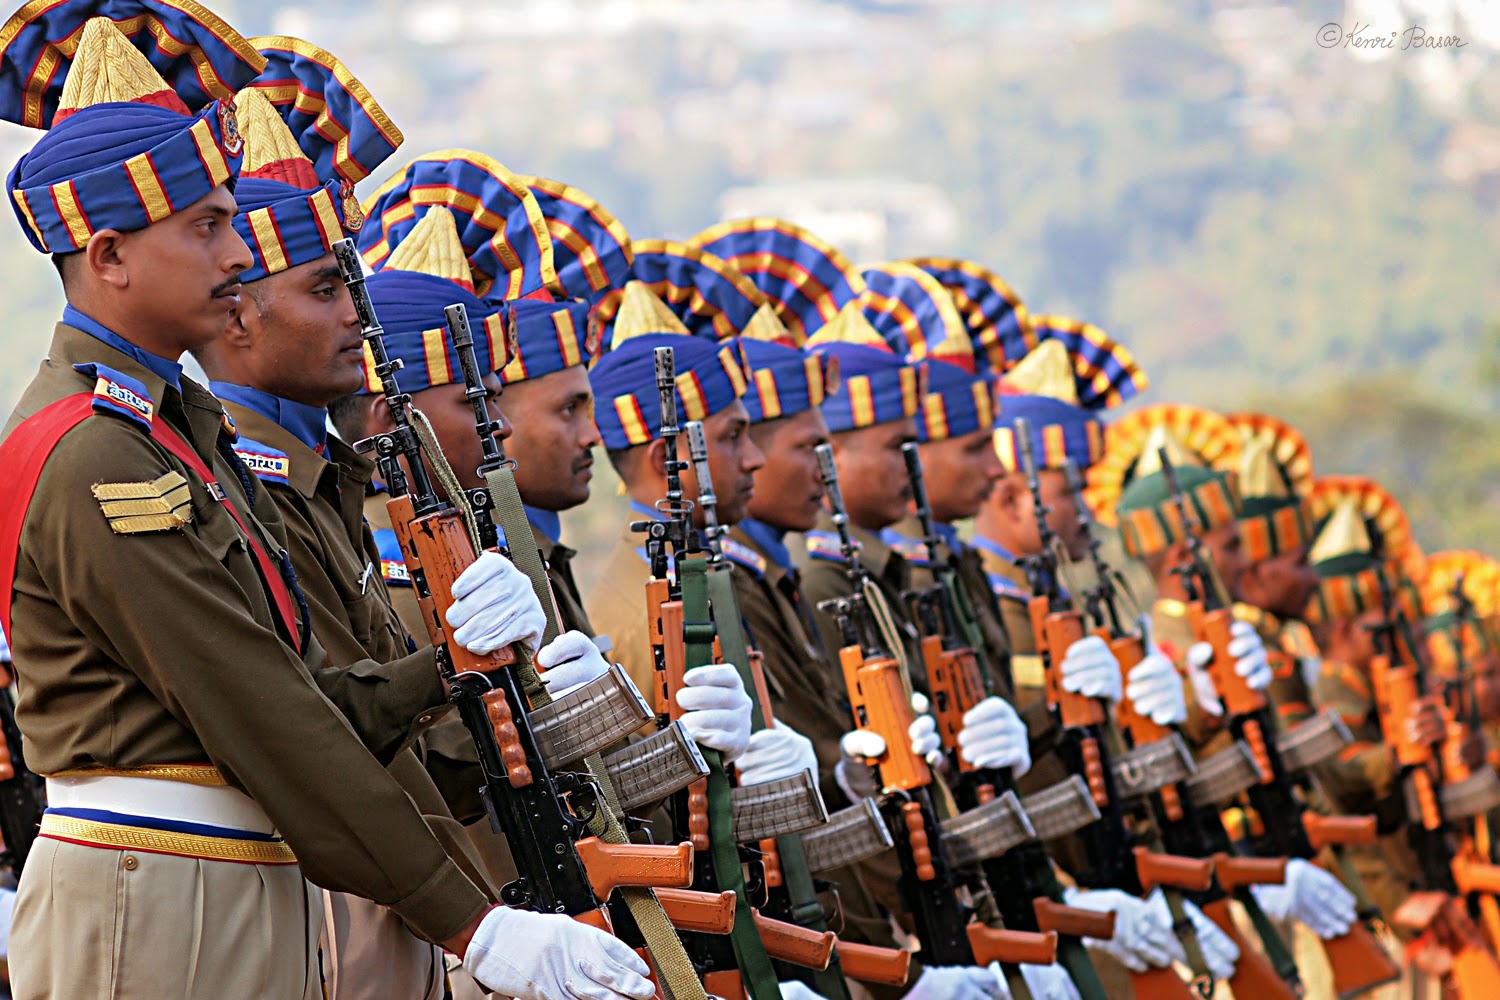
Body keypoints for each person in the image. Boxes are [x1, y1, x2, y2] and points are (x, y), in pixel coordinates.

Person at [0, 10, 635, 999]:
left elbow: (309, 701)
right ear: (109, 254)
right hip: (155, 891)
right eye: (206, 227)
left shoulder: (175, 438)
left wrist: (449, 667)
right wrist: (475, 924)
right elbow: (263, 716)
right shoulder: (96, 455)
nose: (234, 257)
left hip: (235, 888)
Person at [194, 56, 628, 998]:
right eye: (324, 292)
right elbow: (345, 738)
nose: (354, 316)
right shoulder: (251, 489)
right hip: (382, 909)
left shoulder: (328, 487)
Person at [690, 219, 1047, 1000]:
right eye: (897, 448)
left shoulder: (840, 578)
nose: (994, 469)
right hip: (842, 935)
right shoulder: (799, 584)